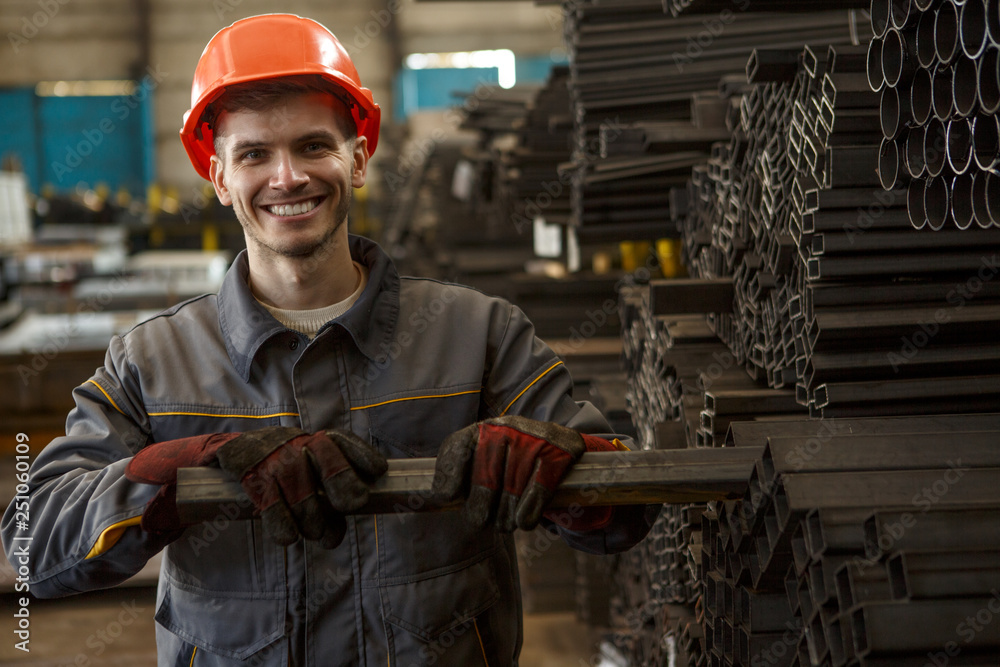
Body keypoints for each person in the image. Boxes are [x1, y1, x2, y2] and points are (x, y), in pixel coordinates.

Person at [2, 13, 658, 667]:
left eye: (313, 146)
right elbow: (33, 543)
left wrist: (564, 465)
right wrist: (177, 472)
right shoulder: (153, 359)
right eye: (254, 153)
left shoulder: (478, 334)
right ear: (220, 179)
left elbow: (626, 510)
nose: (287, 177)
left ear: (359, 158)